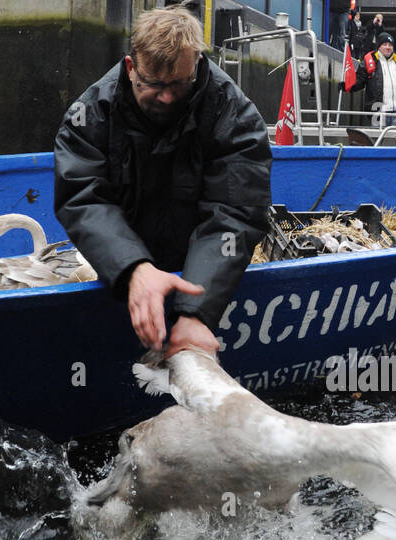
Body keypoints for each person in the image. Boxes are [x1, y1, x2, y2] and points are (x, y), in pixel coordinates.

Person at [53, 8, 271, 359]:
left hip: (200, 265)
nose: (167, 97)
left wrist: (196, 310)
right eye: (153, 83)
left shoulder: (235, 116)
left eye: (179, 84)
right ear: (130, 67)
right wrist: (134, 269)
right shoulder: (89, 115)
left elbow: (235, 213)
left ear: (198, 64)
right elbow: (82, 197)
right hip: (119, 263)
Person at [345, 32, 396, 127]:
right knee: (377, 139)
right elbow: (359, 81)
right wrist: (348, 83)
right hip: (378, 112)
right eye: (384, 44)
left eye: (390, 45)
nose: (388, 47)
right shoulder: (370, 61)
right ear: (379, 46)